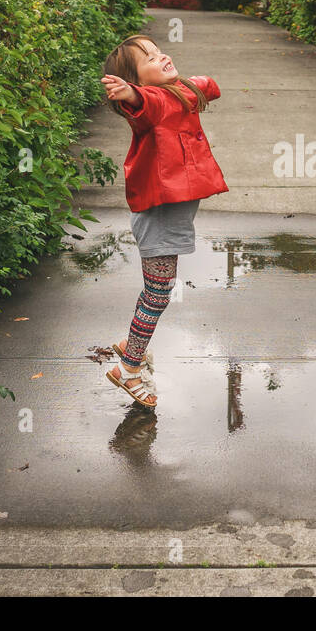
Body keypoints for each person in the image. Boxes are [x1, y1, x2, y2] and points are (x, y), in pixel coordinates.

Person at [99, 34, 228, 409]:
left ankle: (131, 346)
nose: (162, 56)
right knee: (157, 293)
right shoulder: (152, 104)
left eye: (159, 51)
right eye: (150, 59)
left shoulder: (173, 95)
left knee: (158, 291)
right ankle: (128, 368)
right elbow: (147, 104)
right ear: (136, 82)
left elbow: (208, 87)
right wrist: (133, 95)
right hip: (158, 213)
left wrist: (183, 84)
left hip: (169, 212)